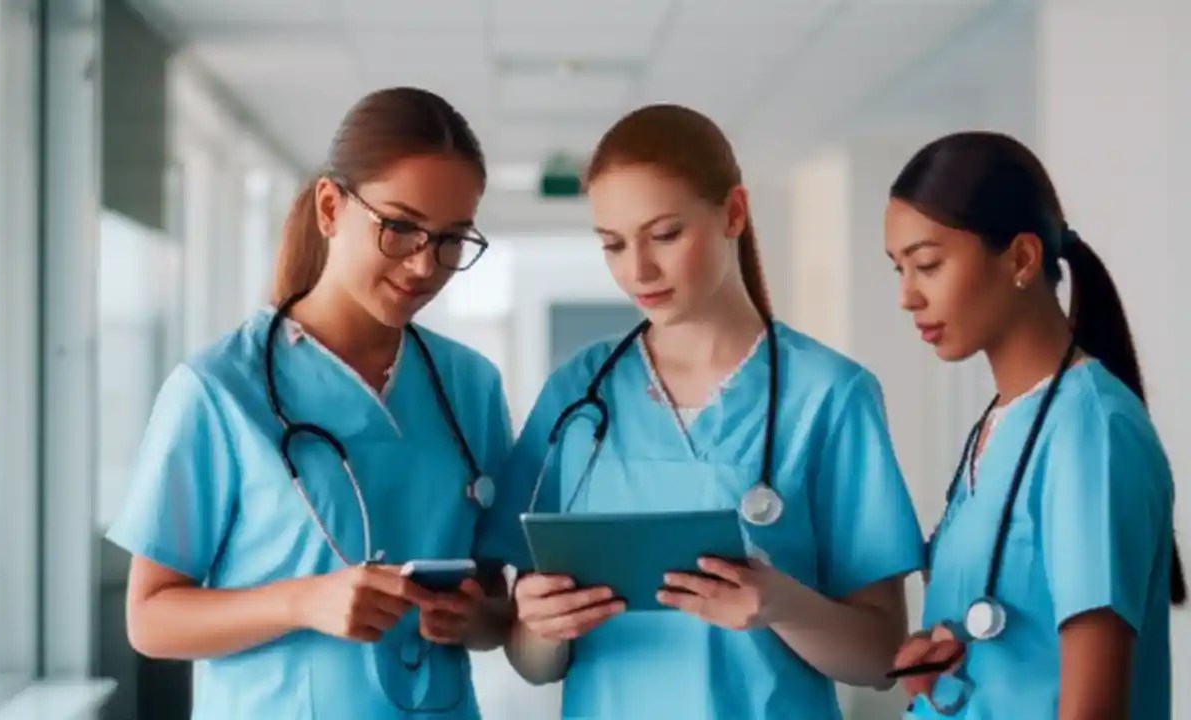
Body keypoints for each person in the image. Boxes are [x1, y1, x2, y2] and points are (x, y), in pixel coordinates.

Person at [490, 104, 926, 719]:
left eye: (665, 235)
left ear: (735, 214)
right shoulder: (577, 396)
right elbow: (532, 664)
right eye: (613, 244)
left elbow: (882, 655)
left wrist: (781, 606)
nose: (637, 269)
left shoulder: (829, 396)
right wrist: (539, 627)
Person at [106, 87, 516, 720]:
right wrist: (300, 603)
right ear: (331, 206)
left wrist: (474, 618)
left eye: (451, 240)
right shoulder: (220, 390)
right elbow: (150, 619)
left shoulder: (471, 387)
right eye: (400, 227)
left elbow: (496, 611)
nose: (423, 265)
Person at [883, 131, 1186, 719]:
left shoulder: (1089, 432)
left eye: (927, 265)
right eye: (898, 269)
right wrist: (937, 672)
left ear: (1022, 258)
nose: (907, 297)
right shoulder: (997, 428)